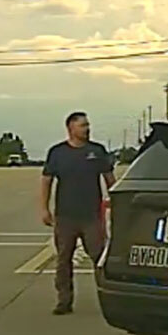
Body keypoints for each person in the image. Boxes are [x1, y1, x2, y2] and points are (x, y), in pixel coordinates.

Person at [39, 111, 116, 315]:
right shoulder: (57, 153)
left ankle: (108, 300)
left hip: (92, 216)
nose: (87, 129)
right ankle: (64, 300)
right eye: (83, 125)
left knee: (99, 258)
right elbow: (46, 181)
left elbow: (109, 179)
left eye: (88, 125)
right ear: (71, 128)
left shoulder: (97, 151)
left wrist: (116, 203)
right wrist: (44, 209)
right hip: (65, 216)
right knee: (64, 259)